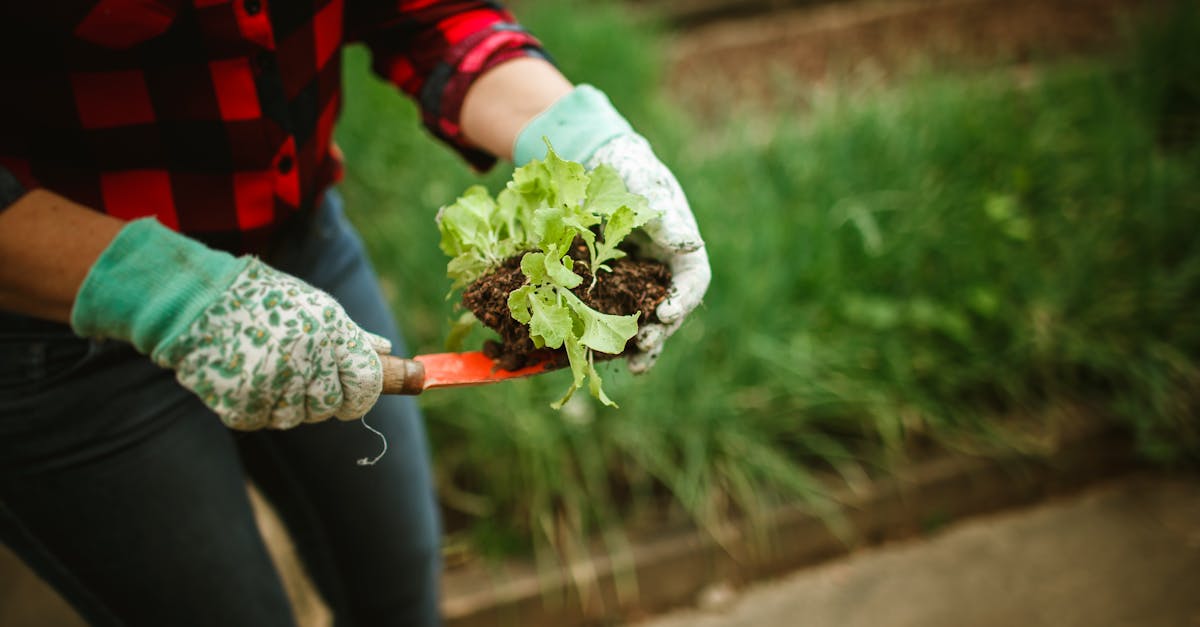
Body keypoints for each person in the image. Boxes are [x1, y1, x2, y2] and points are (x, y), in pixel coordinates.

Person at [0, 2, 709, 626]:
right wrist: (165, 292)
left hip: (295, 240)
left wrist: (584, 135)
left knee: (399, 575)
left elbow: (423, 10)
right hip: (54, 327)